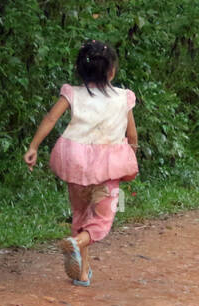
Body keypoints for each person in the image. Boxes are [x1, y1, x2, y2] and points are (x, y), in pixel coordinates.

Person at [24, 39, 139, 286]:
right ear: (112, 71)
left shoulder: (72, 93)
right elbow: (132, 135)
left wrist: (33, 147)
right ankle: (76, 243)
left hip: (74, 160)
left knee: (81, 215)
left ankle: (83, 273)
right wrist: (131, 155)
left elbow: (51, 119)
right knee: (101, 220)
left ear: (80, 69)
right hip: (107, 167)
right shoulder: (123, 98)